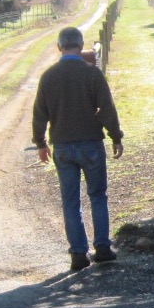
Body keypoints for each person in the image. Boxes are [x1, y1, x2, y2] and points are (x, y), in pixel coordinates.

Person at [32, 25, 125, 270]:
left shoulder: (48, 76)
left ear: (59, 47)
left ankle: (78, 253)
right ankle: (103, 247)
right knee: (98, 196)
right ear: (81, 45)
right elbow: (107, 109)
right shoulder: (92, 74)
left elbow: (39, 114)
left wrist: (41, 143)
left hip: (62, 145)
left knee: (70, 201)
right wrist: (115, 136)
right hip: (91, 143)